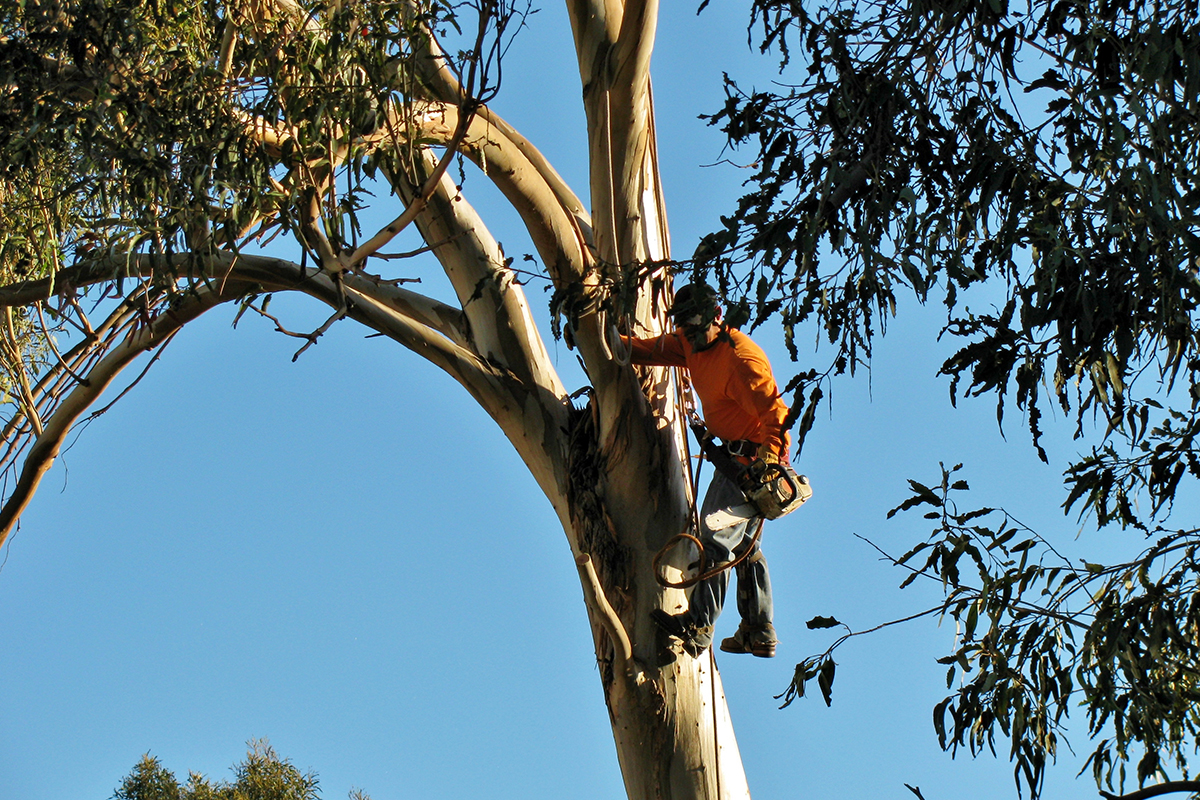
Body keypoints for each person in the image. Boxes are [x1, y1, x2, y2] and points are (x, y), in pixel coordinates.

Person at [625, 283, 791, 659]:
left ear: (718, 316)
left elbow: (777, 416)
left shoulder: (742, 360)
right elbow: (657, 350)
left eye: (699, 327)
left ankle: (699, 627)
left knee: (716, 541)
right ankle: (758, 630)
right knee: (745, 548)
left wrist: (767, 463)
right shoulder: (688, 341)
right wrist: (609, 340)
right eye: (686, 328)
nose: (693, 337)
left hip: (753, 463)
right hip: (732, 460)